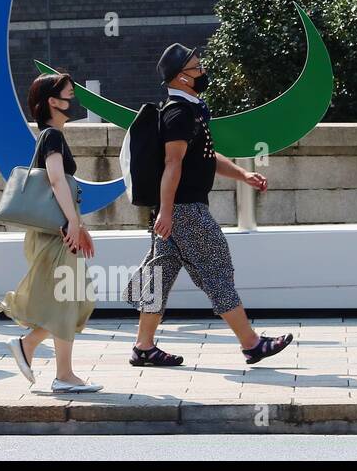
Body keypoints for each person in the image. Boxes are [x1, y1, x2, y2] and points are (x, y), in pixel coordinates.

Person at [121, 45, 294, 368]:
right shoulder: (178, 114)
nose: (203, 73)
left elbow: (205, 158)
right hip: (185, 211)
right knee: (216, 270)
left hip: (176, 211)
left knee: (159, 275)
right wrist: (168, 212)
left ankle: (143, 347)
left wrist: (242, 174)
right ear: (181, 78)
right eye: (197, 69)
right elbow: (173, 164)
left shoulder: (191, 111)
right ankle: (252, 344)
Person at [0, 73, 102, 392]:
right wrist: (74, 223)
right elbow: (56, 180)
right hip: (56, 233)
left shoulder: (52, 135)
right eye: (70, 94)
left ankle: (33, 352)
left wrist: (78, 224)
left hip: (55, 231)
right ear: (53, 102)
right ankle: (61, 374)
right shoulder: (51, 137)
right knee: (64, 299)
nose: (74, 100)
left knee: (65, 299)